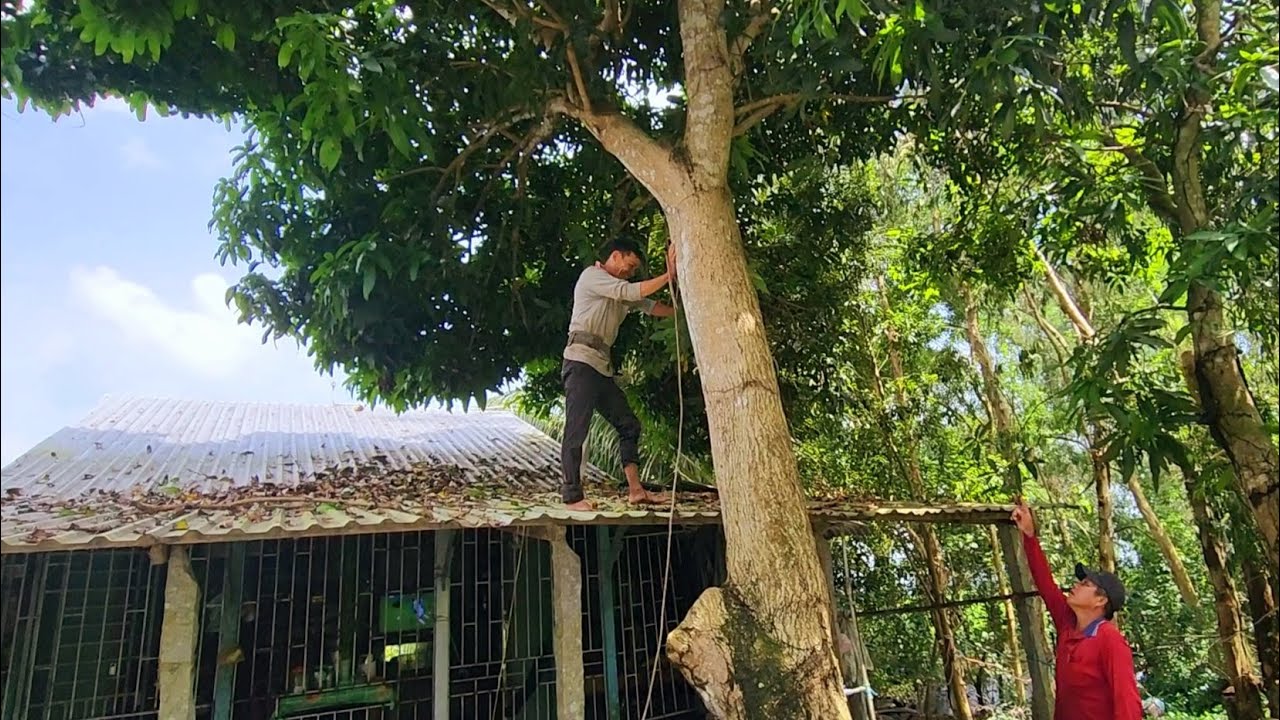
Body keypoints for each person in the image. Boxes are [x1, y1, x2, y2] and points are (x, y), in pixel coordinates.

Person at [560, 238, 677, 510]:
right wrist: (669, 274)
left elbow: (649, 305)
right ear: (615, 256)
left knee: (629, 424)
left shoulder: (619, 291)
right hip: (580, 362)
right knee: (577, 428)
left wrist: (682, 313)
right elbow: (633, 292)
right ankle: (572, 496)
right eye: (630, 264)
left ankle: (636, 490)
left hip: (600, 366)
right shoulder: (593, 276)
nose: (631, 271)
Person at [1011, 501, 1143, 719]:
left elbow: (1127, 701)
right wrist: (1029, 535)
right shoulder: (1068, 624)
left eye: (1085, 584)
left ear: (1100, 600)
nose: (1076, 586)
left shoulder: (1110, 640)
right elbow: (1046, 586)